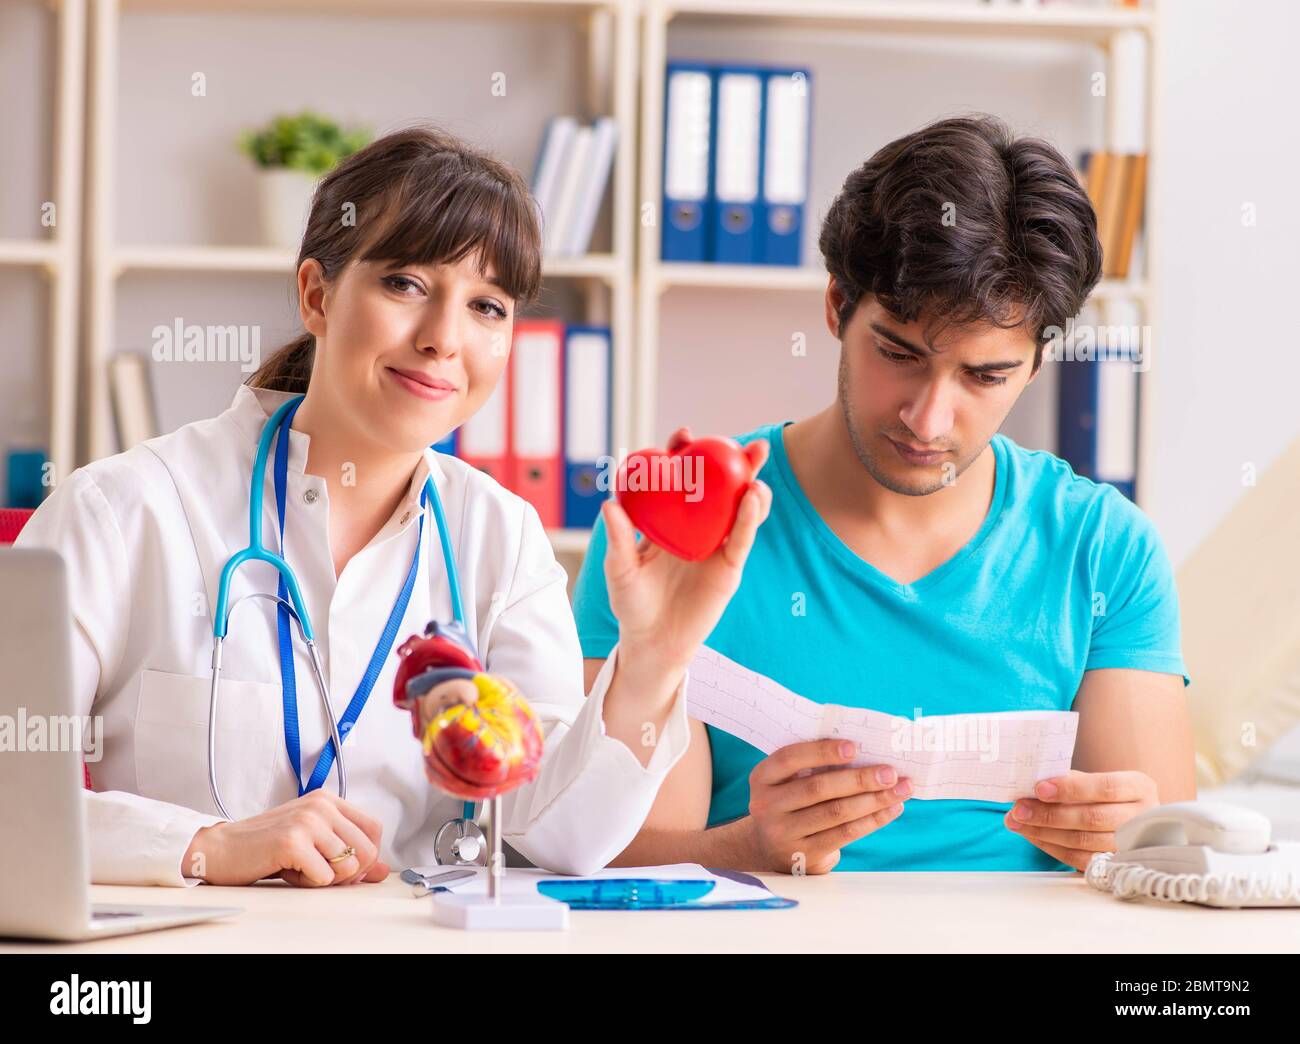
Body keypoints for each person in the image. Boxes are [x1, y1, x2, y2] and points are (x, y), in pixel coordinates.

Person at [16, 125, 771, 887]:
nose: (444, 339)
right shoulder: (122, 509)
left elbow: (560, 839)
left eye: (486, 306)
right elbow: (13, 800)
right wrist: (204, 844)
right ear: (317, 295)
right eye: (406, 284)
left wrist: (657, 653)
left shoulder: (499, 539)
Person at [574, 114, 1195, 875]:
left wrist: (1132, 838)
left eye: (985, 376)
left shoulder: (1102, 551)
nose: (928, 419)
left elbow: (1164, 865)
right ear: (837, 305)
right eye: (899, 353)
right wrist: (748, 848)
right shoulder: (679, 523)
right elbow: (607, 861)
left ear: (1039, 362)